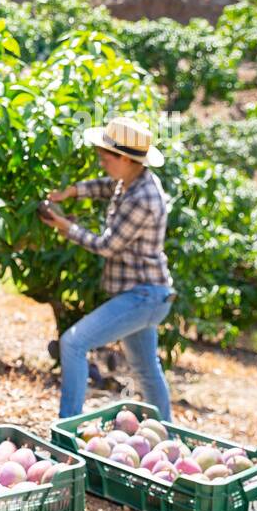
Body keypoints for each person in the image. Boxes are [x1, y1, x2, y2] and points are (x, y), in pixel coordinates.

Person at [40, 117, 174, 421]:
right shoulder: (132, 180)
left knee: (73, 343)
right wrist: (71, 192)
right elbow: (105, 187)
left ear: (126, 159)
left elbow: (107, 246)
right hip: (146, 294)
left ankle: (67, 429)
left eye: (106, 157)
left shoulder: (142, 198)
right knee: (146, 369)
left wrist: (66, 227)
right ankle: (168, 432)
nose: (101, 162)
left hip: (144, 296)